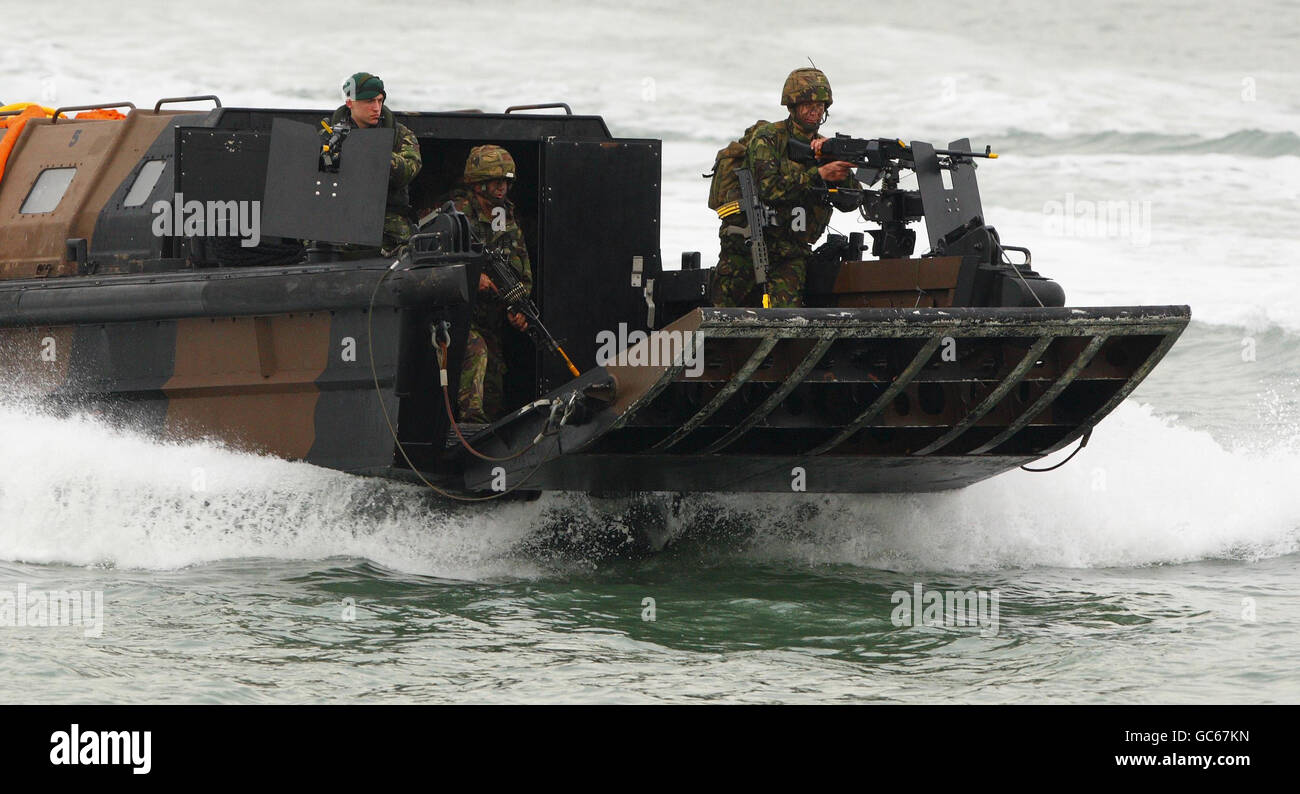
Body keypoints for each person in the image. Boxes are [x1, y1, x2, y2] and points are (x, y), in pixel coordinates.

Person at [711, 68, 856, 308]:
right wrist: (818, 174)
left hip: (790, 252)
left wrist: (833, 167)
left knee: (787, 324)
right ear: (792, 105)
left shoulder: (824, 147)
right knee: (722, 319)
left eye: (820, 105)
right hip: (748, 245)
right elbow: (770, 188)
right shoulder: (767, 138)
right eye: (808, 103)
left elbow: (851, 201)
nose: (815, 110)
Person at [451, 145, 532, 424]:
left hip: (490, 319)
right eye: (496, 181)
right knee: (476, 351)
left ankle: (483, 436)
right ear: (478, 183)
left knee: (495, 387)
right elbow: (433, 265)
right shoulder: (456, 215)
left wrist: (517, 308)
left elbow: (522, 272)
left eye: (506, 182)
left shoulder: (507, 220)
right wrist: (473, 278)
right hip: (455, 316)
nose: (502, 188)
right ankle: (469, 426)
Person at [320, 72, 422, 256]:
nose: (377, 108)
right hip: (342, 220)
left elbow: (410, 168)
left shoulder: (399, 134)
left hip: (388, 221)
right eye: (369, 102)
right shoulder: (329, 133)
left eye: (380, 100)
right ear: (350, 103)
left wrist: (373, 151)